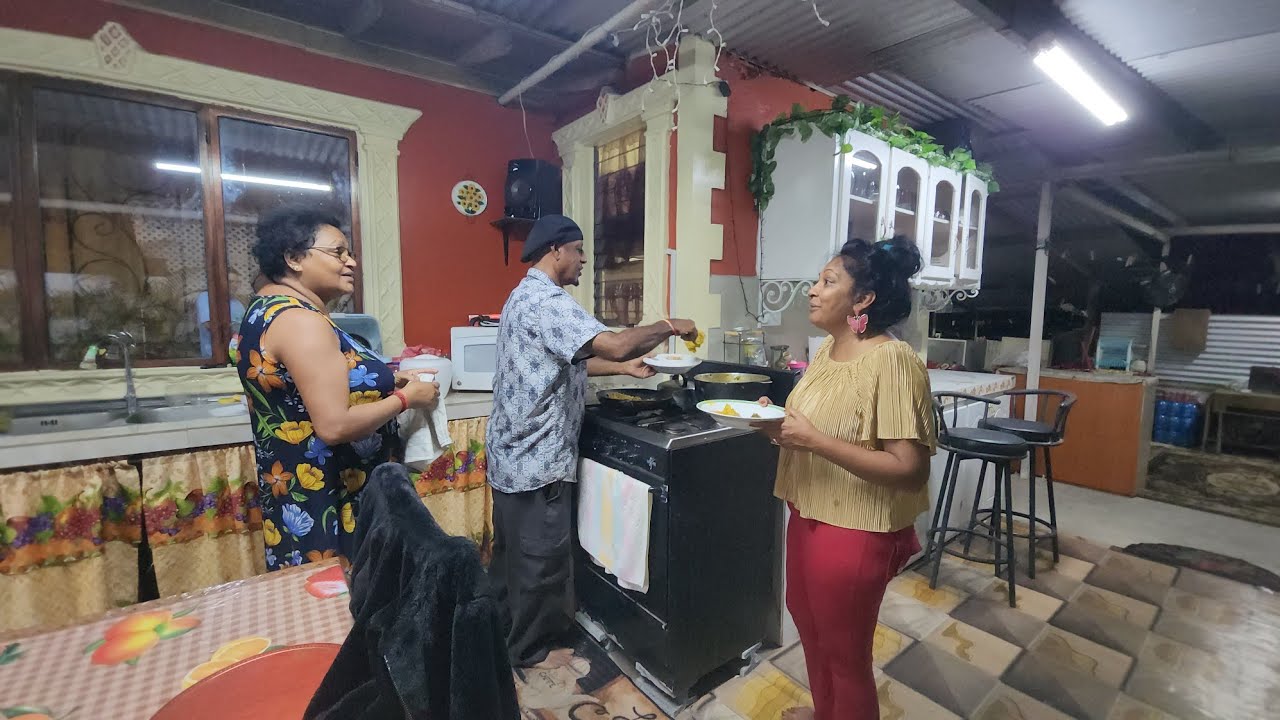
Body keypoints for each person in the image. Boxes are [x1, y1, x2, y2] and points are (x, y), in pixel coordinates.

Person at [486, 214, 699, 667]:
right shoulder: (548, 301)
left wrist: (622, 369)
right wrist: (668, 324)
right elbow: (616, 343)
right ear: (556, 250)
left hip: (511, 455)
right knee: (540, 561)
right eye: (579, 250)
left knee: (512, 559)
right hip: (537, 458)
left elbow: (573, 357)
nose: (584, 259)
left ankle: (502, 634)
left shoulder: (524, 295)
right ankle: (530, 652)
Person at [754, 236, 936, 720]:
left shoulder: (892, 360)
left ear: (863, 299)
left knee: (846, 654)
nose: (813, 290)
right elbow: (816, 431)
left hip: (856, 530)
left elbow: (909, 468)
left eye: (828, 281)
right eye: (817, 280)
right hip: (808, 512)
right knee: (811, 629)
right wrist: (779, 428)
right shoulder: (828, 353)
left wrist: (813, 440)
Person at [233, 207, 439, 570]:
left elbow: (304, 385)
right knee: (348, 595)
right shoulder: (302, 322)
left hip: (296, 496)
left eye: (350, 252)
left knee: (318, 596)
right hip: (332, 500)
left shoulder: (267, 309)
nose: (351, 262)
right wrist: (406, 398)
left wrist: (387, 380)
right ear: (294, 258)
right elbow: (334, 425)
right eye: (338, 252)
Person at [195, 270, 247, 357]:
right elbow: (210, 325)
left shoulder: (238, 304)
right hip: (214, 358)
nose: (235, 285)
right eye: (231, 282)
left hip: (236, 356)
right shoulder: (206, 297)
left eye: (237, 282)